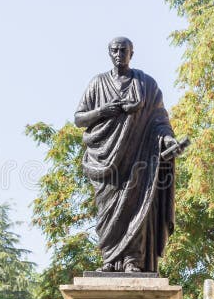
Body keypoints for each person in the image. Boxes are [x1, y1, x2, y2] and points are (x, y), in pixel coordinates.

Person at [74, 37, 182, 273]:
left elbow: (160, 122)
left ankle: (133, 260)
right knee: (108, 212)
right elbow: (79, 119)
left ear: (132, 53)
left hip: (139, 160)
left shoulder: (147, 85)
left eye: (124, 50)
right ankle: (110, 261)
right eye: (115, 50)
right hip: (106, 162)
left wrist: (168, 140)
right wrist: (102, 111)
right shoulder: (97, 84)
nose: (119, 54)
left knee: (137, 208)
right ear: (108, 53)